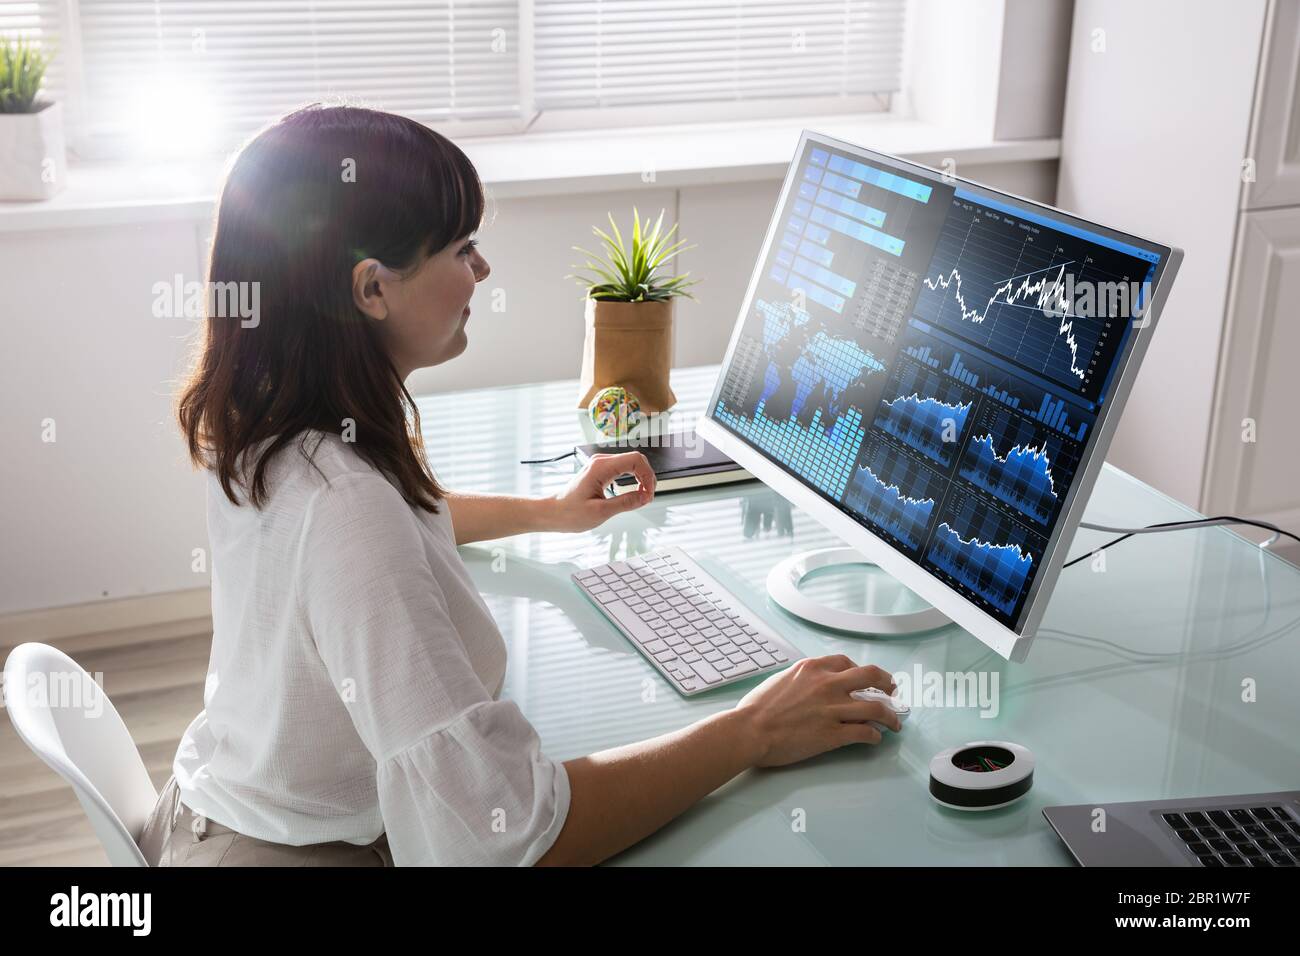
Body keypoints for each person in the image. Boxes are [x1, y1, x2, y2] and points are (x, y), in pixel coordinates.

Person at [140, 104, 901, 868]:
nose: (482, 270)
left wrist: (550, 512)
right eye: (463, 248)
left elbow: (391, 530)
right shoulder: (346, 508)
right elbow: (509, 838)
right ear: (371, 289)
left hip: (217, 812)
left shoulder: (270, 412)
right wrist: (752, 730)